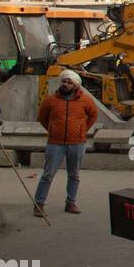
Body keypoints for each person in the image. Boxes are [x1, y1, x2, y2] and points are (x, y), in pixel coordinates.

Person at [33, 70, 98, 216]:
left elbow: (93, 114)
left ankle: (71, 203)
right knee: (48, 175)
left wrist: (83, 129)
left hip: (77, 143)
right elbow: (42, 117)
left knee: (74, 175)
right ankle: (39, 204)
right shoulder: (50, 100)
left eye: (69, 82)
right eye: (64, 81)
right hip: (55, 143)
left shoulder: (86, 100)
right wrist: (52, 129)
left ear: (75, 85)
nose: (66, 84)